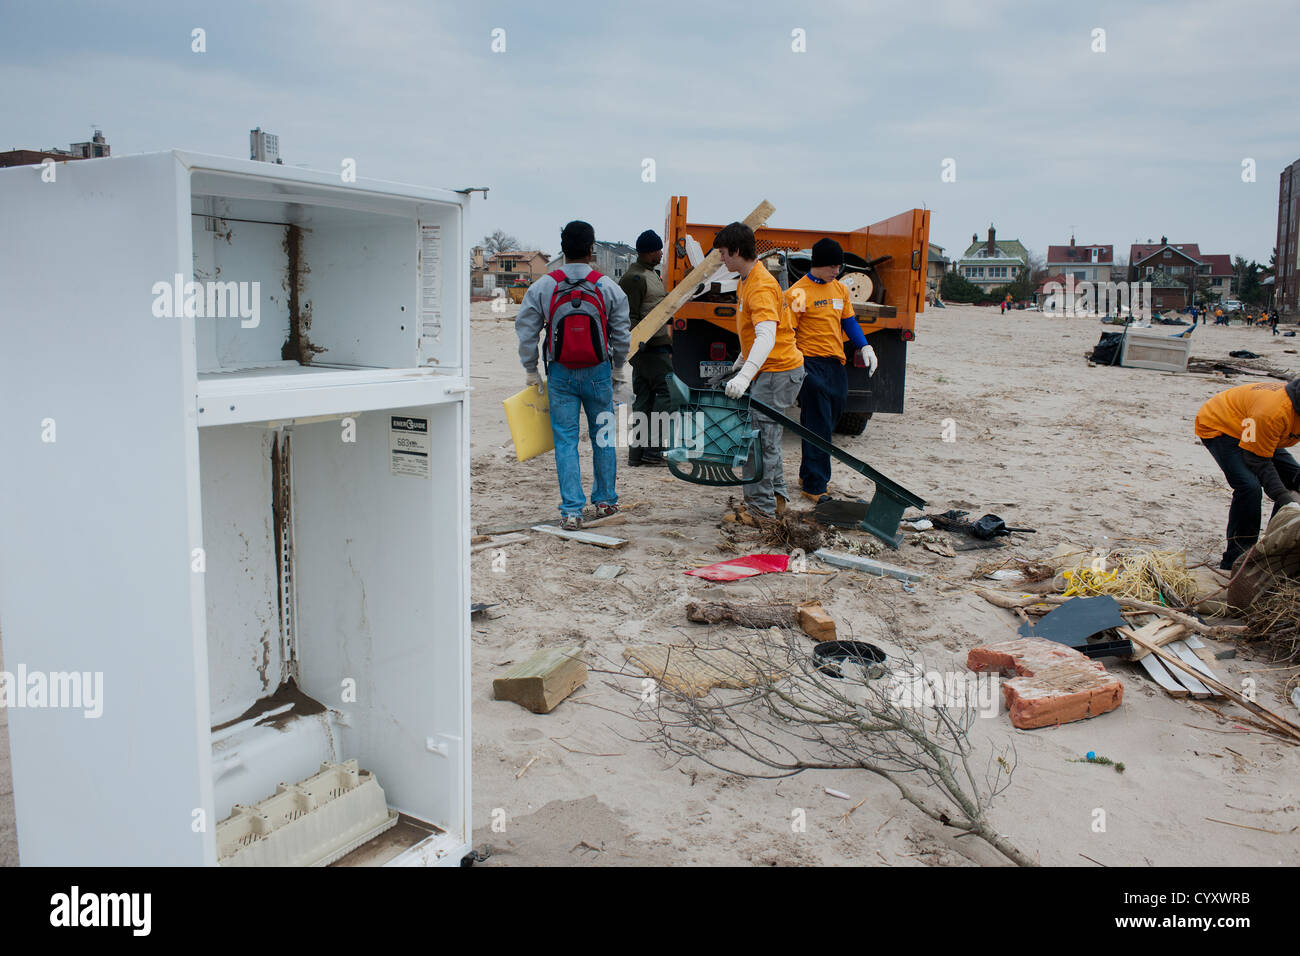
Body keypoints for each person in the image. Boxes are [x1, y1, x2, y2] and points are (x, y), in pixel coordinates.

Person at [516, 220, 630, 530]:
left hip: (561, 373)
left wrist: (530, 370)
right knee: (603, 436)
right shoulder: (607, 286)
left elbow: (526, 331)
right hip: (599, 372)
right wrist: (619, 367)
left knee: (565, 440)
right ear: (592, 249)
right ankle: (605, 501)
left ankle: (571, 510)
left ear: (563, 249)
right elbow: (621, 333)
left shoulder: (543, 286)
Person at [714, 221, 805, 517]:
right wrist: (739, 364)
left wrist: (744, 376)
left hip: (779, 372)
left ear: (738, 251)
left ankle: (760, 512)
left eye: (724, 253)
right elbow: (754, 334)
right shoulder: (746, 279)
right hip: (774, 370)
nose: (721, 259)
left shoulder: (762, 285)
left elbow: (767, 336)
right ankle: (775, 501)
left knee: (758, 443)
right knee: (768, 440)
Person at [784, 238, 877, 502]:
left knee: (832, 417)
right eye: (832, 267)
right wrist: (797, 364)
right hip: (809, 363)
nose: (836, 271)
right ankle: (815, 485)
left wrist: (865, 346)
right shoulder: (798, 293)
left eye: (839, 266)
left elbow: (849, 323)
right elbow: (788, 332)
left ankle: (807, 471)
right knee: (818, 424)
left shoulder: (840, 290)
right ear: (818, 264)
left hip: (835, 363)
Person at [1195, 379, 1300, 569]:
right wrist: (1285, 499)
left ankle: (1274, 552)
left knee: (1296, 482)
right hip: (1223, 425)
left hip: (1260, 434)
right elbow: (1257, 460)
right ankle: (1237, 560)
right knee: (1249, 487)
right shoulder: (1273, 412)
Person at [620, 229, 670, 466]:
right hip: (648, 348)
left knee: (645, 398)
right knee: (666, 393)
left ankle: (637, 454)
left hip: (650, 348)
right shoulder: (635, 278)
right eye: (659, 249)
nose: (661, 253)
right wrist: (634, 348)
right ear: (650, 251)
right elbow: (628, 316)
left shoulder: (650, 274)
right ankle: (653, 450)